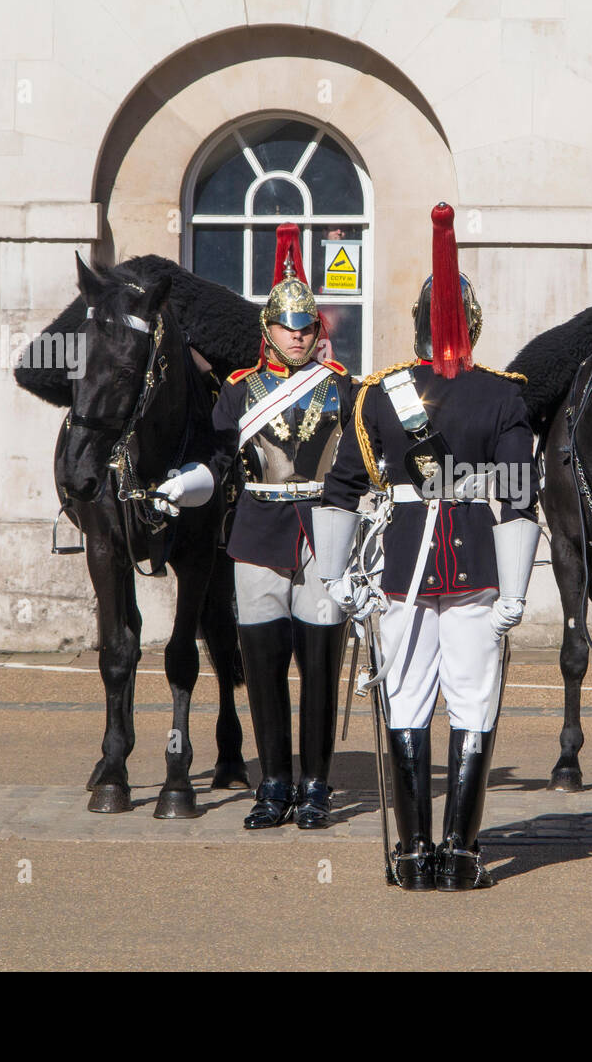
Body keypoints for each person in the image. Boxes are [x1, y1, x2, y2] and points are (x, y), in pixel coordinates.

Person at [312, 203, 540, 891]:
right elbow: (519, 498)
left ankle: (412, 855)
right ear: (473, 324)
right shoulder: (502, 397)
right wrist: (518, 588)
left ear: (416, 325)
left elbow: (341, 488)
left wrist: (334, 577)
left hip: (400, 566)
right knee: (473, 703)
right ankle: (462, 854)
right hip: (474, 565)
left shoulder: (381, 394)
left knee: (406, 702)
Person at [206, 222, 355, 829]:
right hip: (258, 534)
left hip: (323, 535)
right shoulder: (238, 392)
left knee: (319, 666)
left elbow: (363, 464)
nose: (297, 336)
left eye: (305, 327)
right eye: (286, 327)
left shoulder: (343, 386)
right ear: (266, 330)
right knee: (262, 666)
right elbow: (216, 459)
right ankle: (272, 782)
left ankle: (315, 783)